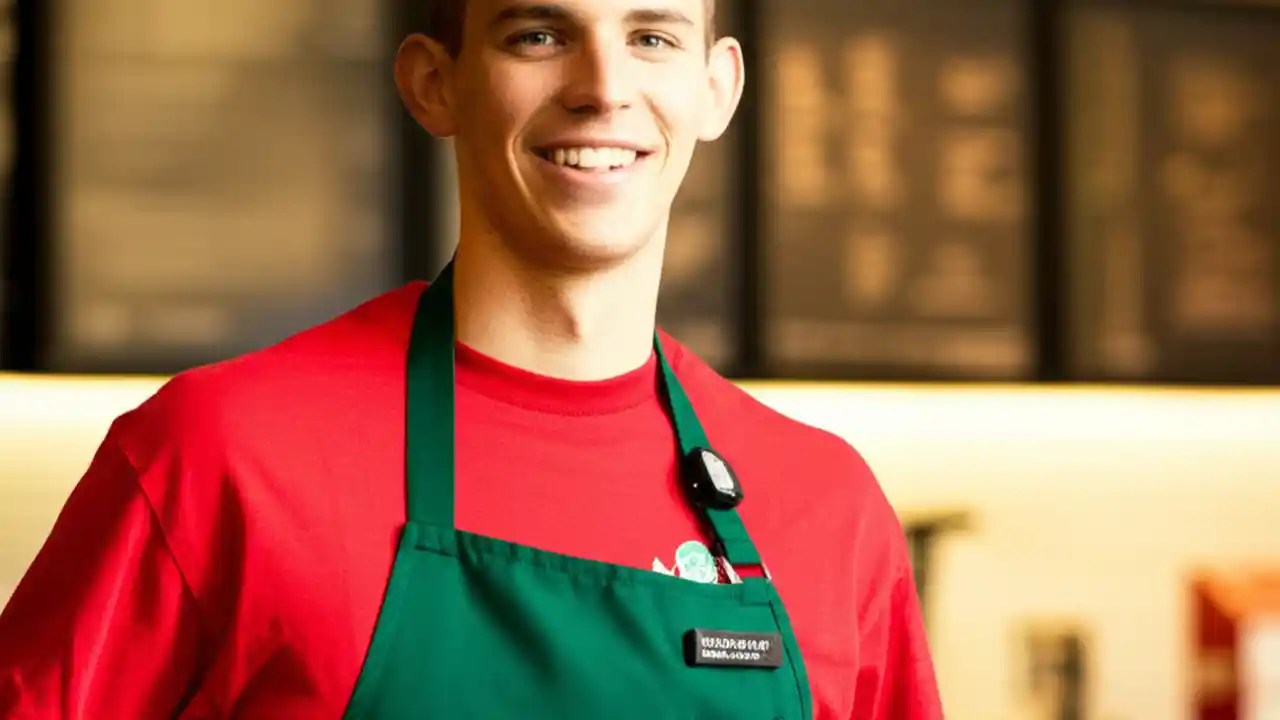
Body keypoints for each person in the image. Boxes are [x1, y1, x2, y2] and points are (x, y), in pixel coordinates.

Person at [0, 0, 943, 716]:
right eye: (538, 34)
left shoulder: (829, 507)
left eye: (652, 37)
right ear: (432, 84)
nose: (603, 87)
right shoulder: (217, 458)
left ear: (717, 89)